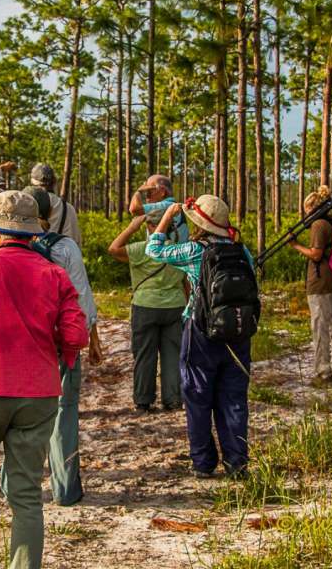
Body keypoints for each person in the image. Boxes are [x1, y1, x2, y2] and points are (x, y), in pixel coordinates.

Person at [0, 191, 89, 569]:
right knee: (27, 496)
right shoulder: (54, 273)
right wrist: (59, 351)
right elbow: (76, 335)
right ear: (32, 232)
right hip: (39, 393)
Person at [0, 185, 102, 507]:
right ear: (51, 212)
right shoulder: (65, 247)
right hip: (58, 346)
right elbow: (81, 296)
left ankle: (11, 488)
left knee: (17, 417)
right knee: (63, 414)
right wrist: (93, 338)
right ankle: (66, 490)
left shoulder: (2, 249)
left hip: (17, 347)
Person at [145, 195, 254, 479]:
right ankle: (237, 463)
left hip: (201, 330)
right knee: (234, 398)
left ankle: (204, 463)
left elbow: (153, 249)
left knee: (197, 396)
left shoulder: (195, 250)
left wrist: (167, 217)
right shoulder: (242, 250)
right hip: (238, 331)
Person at [108, 210, 189, 412]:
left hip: (145, 306)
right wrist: (188, 305)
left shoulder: (141, 249)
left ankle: (143, 400)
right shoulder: (178, 250)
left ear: (149, 226)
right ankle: (173, 399)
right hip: (174, 306)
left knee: (144, 353)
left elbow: (114, 249)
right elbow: (186, 282)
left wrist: (131, 228)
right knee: (174, 353)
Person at [288, 186, 332, 387]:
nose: (306, 214)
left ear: (313, 208)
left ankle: (323, 371)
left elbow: (316, 254)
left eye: (307, 210)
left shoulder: (319, 224)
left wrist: (295, 245)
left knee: (320, 327)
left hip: (321, 281)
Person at [29, 163, 82, 248]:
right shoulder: (69, 209)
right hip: (62, 255)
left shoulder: (28, 205)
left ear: (32, 183)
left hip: (33, 255)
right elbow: (76, 244)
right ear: (54, 182)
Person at [129, 174, 189, 243]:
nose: (147, 197)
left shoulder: (166, 206)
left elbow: (134, 209)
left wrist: (138, 191)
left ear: (162, 191)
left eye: (149, 191)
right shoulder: (172, 205)